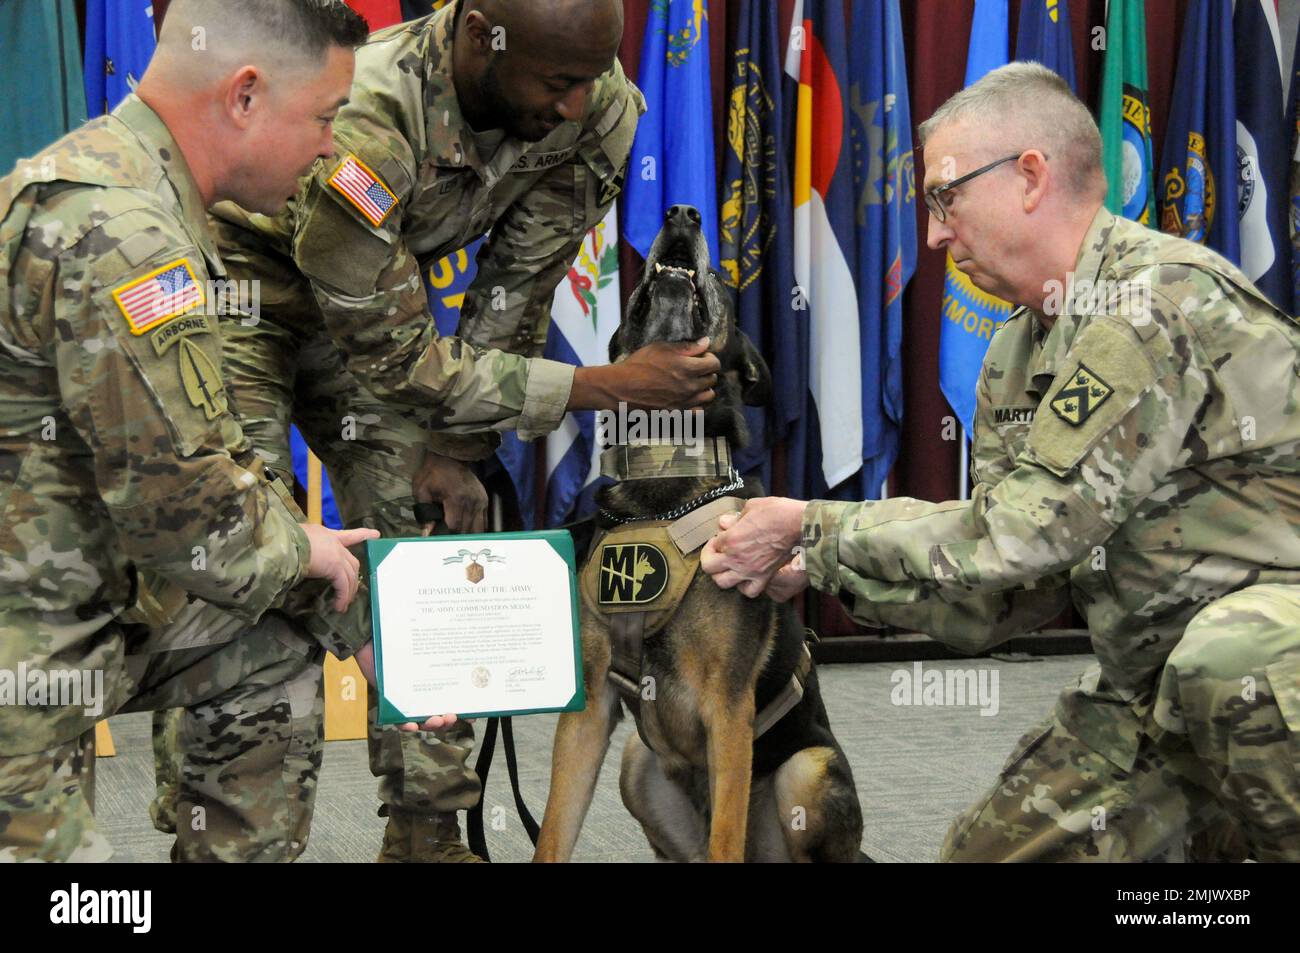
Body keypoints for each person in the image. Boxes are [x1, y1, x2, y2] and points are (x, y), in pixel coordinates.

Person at [152, 0, 719, 863]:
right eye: (557, 81)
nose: (574, 104)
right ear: (479, 32)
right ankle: (231, 838)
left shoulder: (599, 105)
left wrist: (455, 450)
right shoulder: (368, 119)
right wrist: (599, 386)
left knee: (426, 555)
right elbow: (397, 358)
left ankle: (429, 835)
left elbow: (517, 285)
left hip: (385, 297)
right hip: (246, 292)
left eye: (589, 79)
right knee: (249, 556)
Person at [701, 62, 1300, 862]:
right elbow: (1005, 592)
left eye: (946, 198)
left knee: (1232, 661)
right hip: (1153, 685)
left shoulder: (1152, 303)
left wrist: (813, 524)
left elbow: (1021, 533)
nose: (935, 235)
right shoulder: (1019, 352)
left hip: (1264, 665)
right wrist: (819, 566)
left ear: (1029, 177)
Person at [0, 0, 441, 863]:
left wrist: (354, 620)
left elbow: (213, 459)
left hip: (87, 595)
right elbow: (184, 509)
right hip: (28, 641)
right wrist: (323, 566)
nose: (330, 148)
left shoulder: (146, 192)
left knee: (272, 631)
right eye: (322, 118)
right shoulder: (120, 230)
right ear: (244, 95)